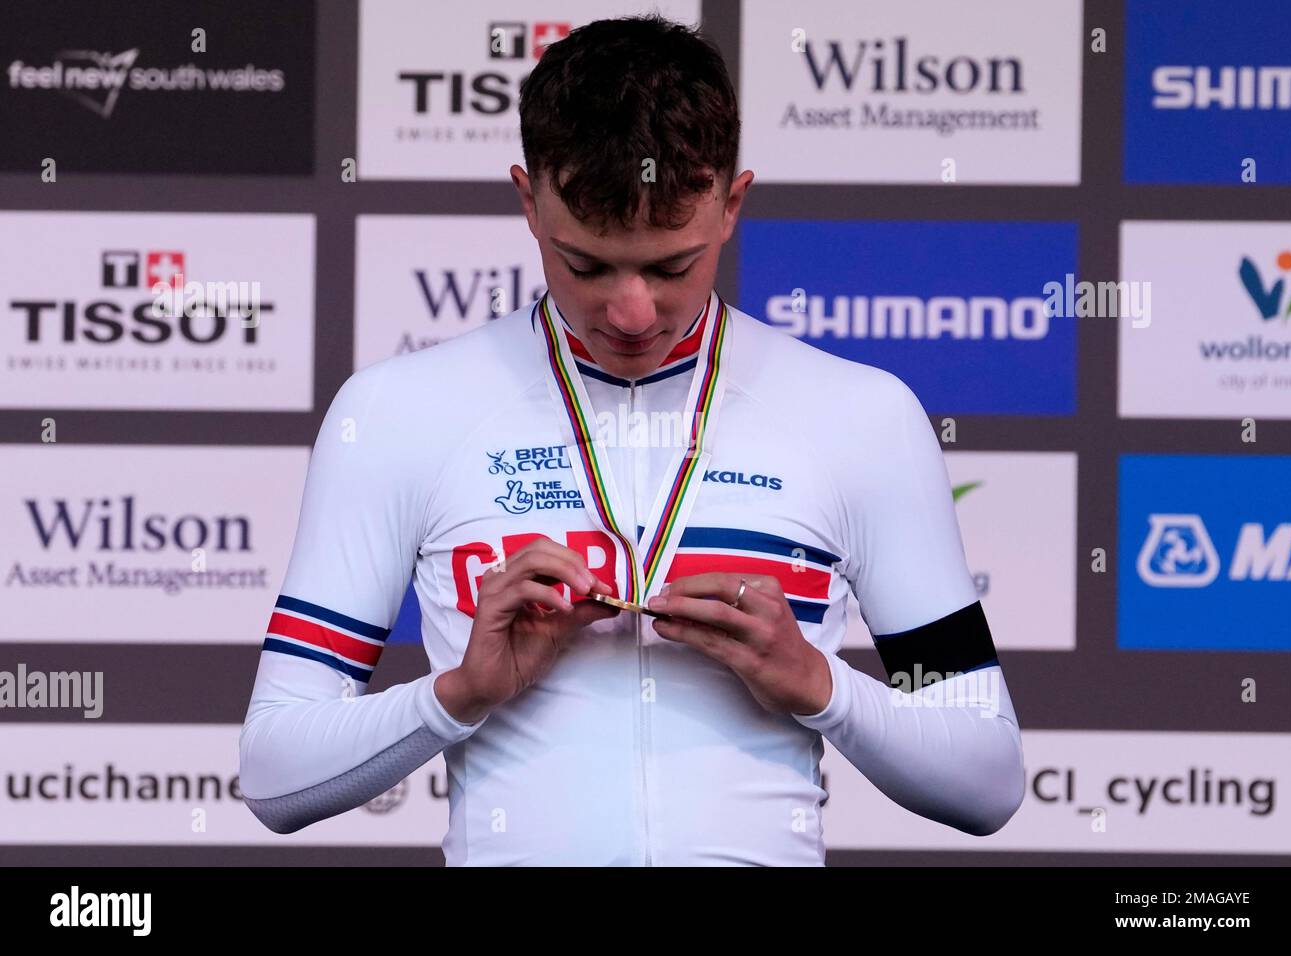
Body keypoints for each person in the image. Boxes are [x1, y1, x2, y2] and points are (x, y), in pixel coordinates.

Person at [239, 13, 1025, 866]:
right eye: (586, 265)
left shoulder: (862, 416)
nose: (631, 312)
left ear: (733, 202)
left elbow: (987, 781)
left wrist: (820, 686)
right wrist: (460, 694)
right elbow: (277, 776)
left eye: (669, 266)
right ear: (527, 199)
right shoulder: (397, 412)